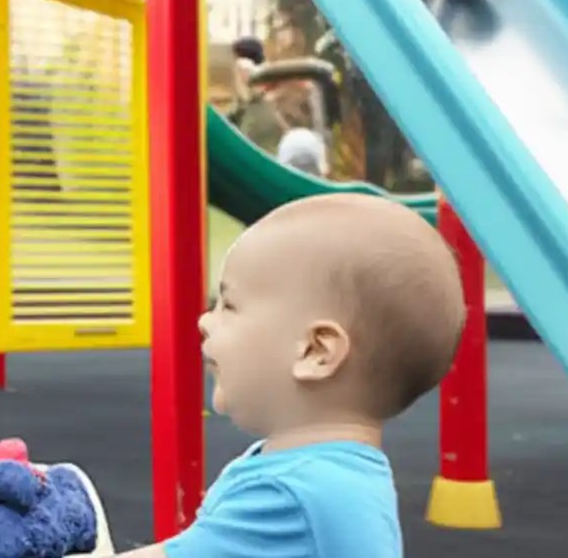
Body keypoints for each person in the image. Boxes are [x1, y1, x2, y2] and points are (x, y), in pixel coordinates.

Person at [118, 192, 466, 557]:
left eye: (229, 305)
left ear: (315, 351)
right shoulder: (329, 474)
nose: (205, 320)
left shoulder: (291, 495)